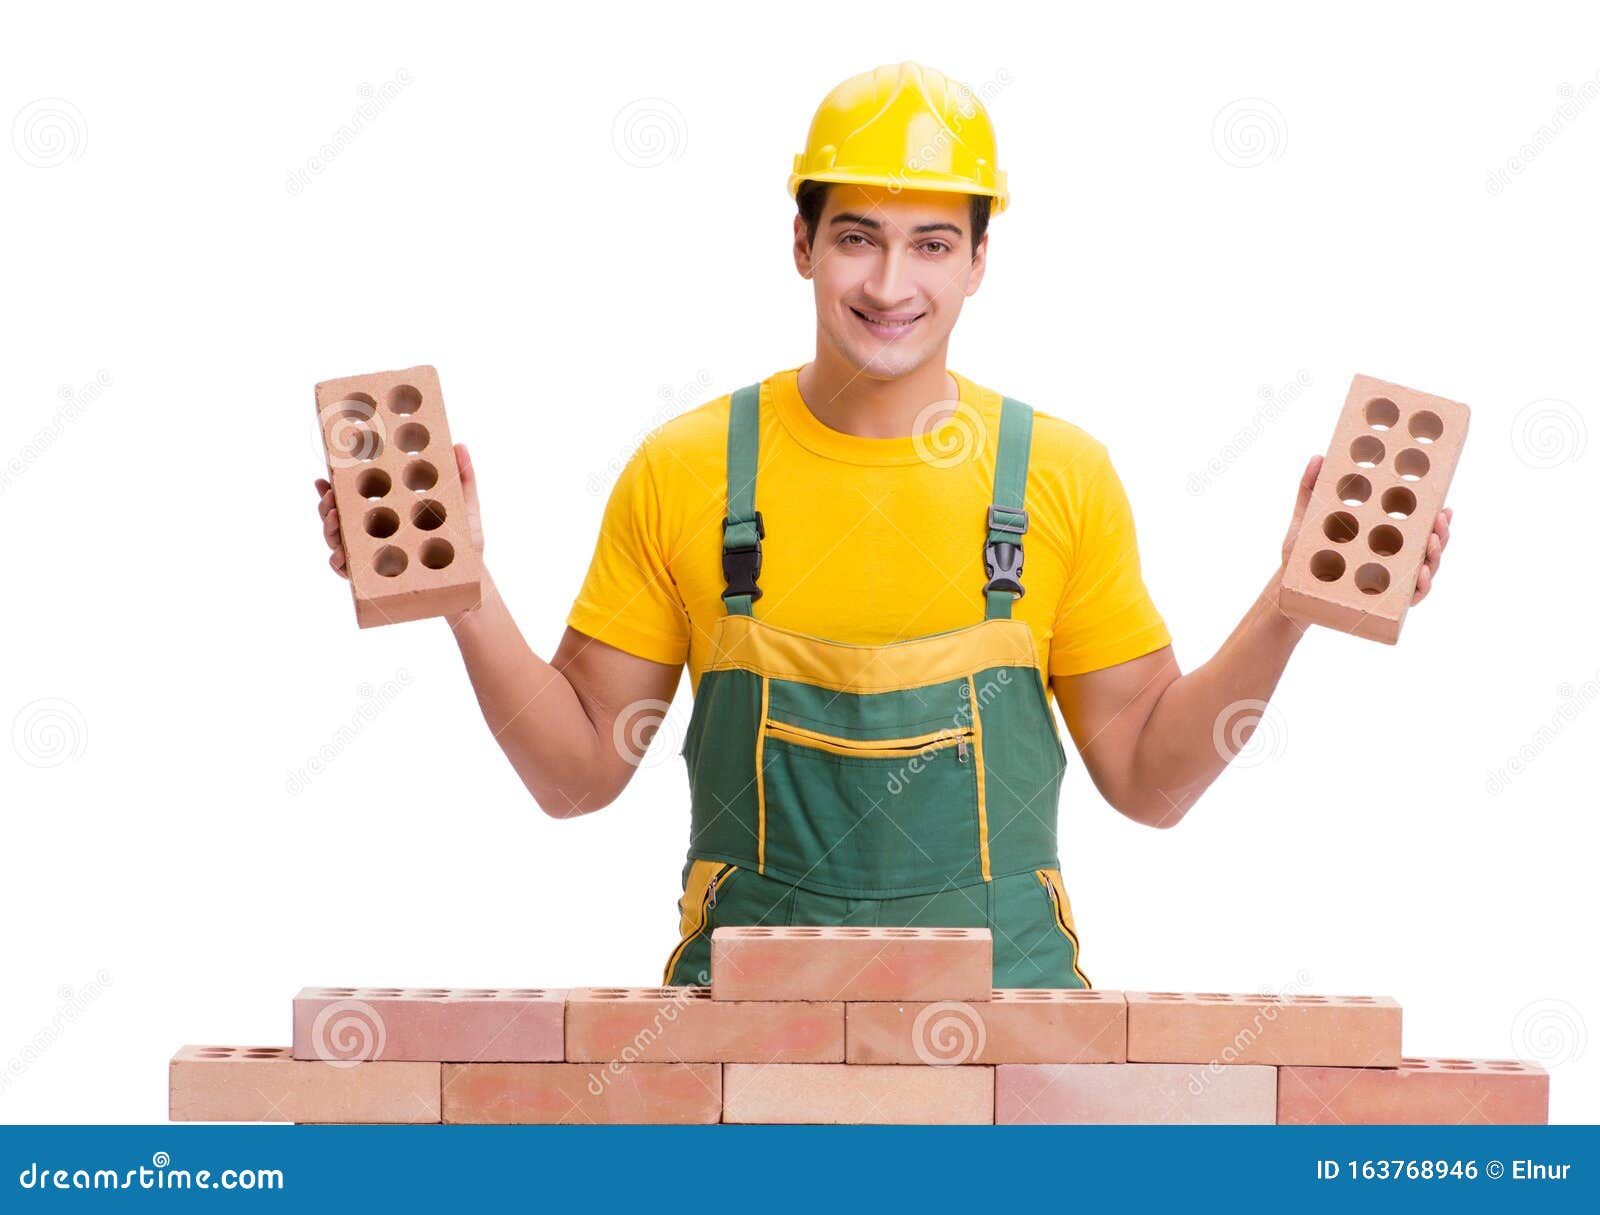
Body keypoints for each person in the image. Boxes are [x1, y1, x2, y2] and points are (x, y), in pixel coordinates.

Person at [314, 61, 1452, 990]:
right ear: (800, 244)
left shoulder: (1058, 477)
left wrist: (1289, 608)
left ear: (979, 261)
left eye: (932, 243)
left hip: (1009, 1054)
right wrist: (461, 590)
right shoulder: (686, 469)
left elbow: (1149, 783)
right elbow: (576, 778)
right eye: (857, 236)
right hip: (744, 1062)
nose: (890, 282)